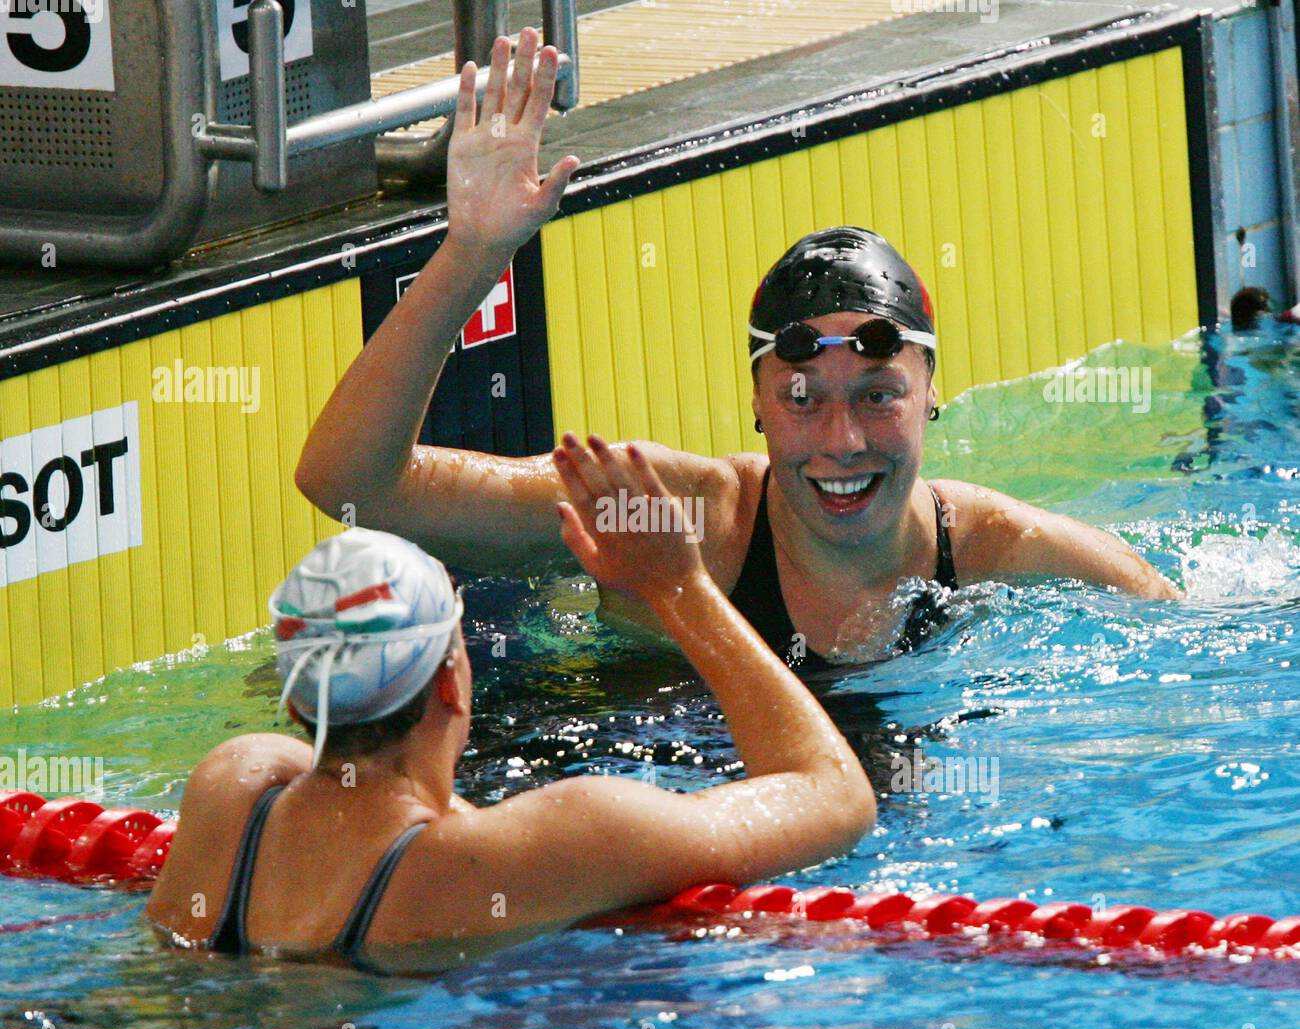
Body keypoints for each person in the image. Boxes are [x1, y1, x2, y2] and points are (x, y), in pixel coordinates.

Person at [295, 26, 1180, 674]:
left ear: (931, 391)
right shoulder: (669, 514)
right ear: (755, 401)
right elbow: (352, 489)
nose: (842, 439)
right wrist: (474, 254)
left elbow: (1188, 635)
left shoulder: (1004, 550)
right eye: (802, 398)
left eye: (877, 394)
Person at [144, 446, 875, 974]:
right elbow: (834, 795)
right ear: (451, 686)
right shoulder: (548, 846)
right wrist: (679, 586)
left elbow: (357, 790)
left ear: (299, 705)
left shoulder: (234, 789)